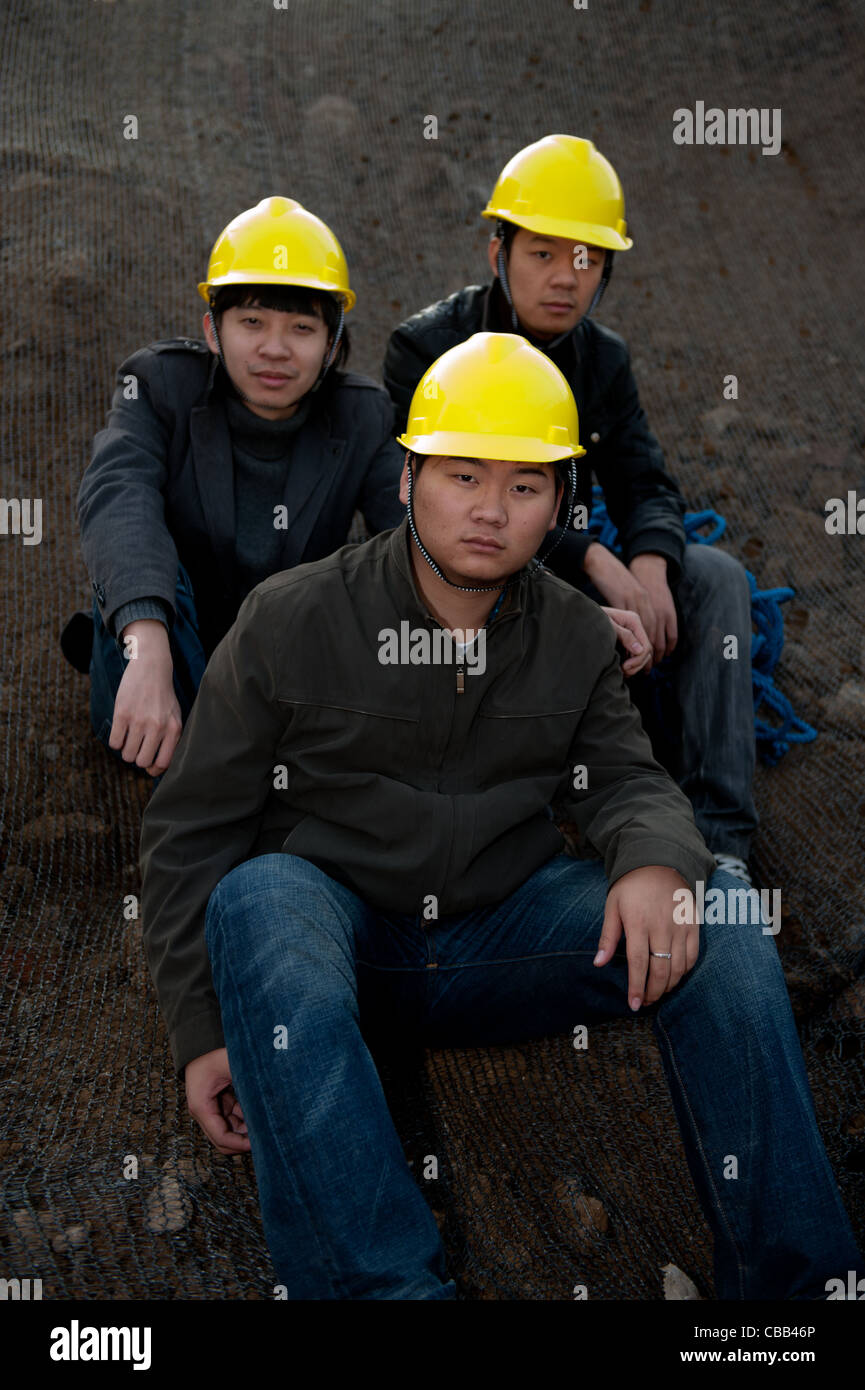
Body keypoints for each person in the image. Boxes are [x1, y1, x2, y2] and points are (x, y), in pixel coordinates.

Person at [140, 333, 861, 1301]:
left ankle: (796, 1294)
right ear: (407, 481)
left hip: (505, 938)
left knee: (720, 908)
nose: (489, 510)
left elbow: (626, 779)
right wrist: (201, 1027)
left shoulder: (569, 632)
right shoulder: (290, 619)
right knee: (257, 893)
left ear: (560, 504)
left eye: (525, 487)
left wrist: (654, 859)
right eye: (463, 476)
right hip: (342, 943)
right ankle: (387, 1291)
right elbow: (191, 827)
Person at [384, 135, 757, 884]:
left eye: (586, 260)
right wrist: (588, 557)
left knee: (713, 577)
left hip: (579, 562)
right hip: (477, 576)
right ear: (498, 252)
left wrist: (648, 566)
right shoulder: (427, 349)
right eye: (543, 253)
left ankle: (720, 844)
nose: (565, 278)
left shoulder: (603, 359)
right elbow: (428, 519)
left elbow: (645, 480)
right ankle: (557, 818)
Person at [60, 195, 406, 777]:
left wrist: (537, 605)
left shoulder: (362, 415)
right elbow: (119, 496)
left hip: (289, 655)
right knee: (146, 569)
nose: (275, 348)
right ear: (213, 330)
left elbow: (420, 527)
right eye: (252, 322)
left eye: (301, 327)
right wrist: (147, 646)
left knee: (376, 578)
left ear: (332, 341)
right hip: (175, 644)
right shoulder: (160, 384)